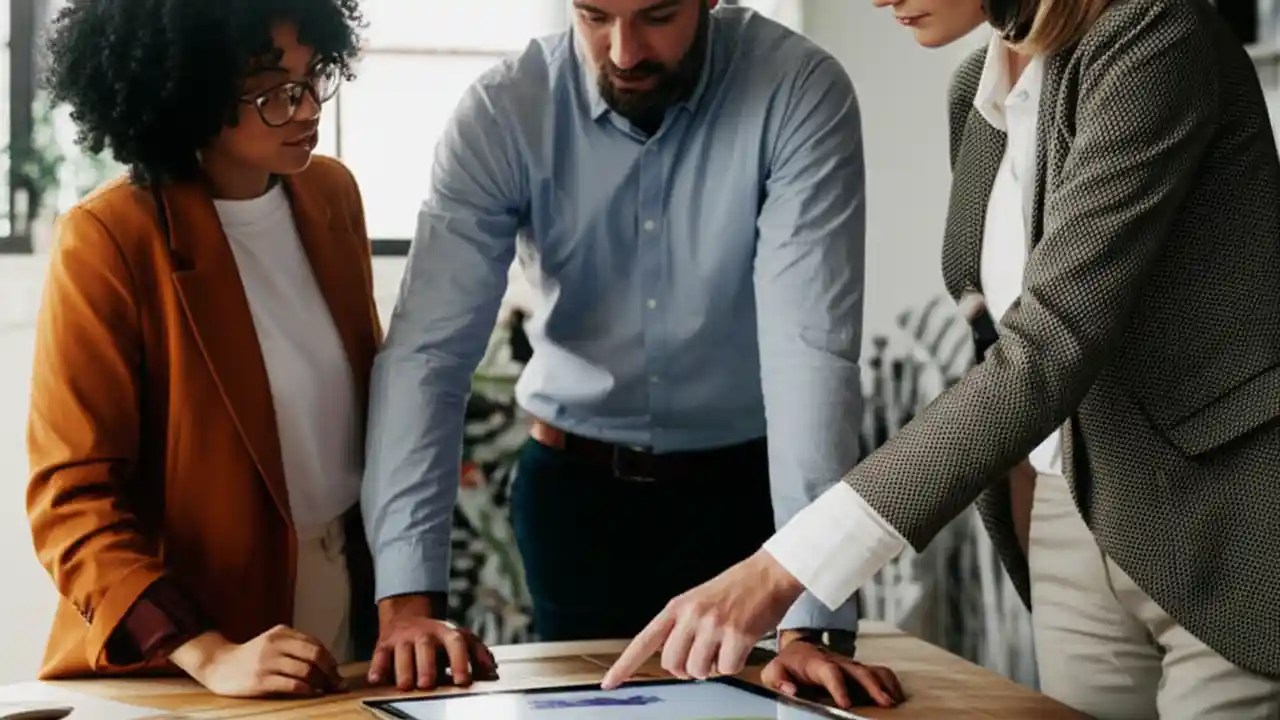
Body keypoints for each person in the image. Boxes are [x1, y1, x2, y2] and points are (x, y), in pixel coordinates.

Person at [604, 0, 1280, 716]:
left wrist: (782, 570)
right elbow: (995, 330)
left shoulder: (1155, 38)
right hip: (1069, 518)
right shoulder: (977, 91)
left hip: (1222, 526)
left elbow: (1048, 347)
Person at [362, 0, 903, 708]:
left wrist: (812, 626)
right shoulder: (504, 110)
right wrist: (406, 606)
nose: (622, 51)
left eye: (657, 15)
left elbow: (810, 356)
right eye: (594, 16)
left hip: (749, 500)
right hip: (575, 499)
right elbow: (427, 358)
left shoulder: (797, 90)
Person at [27, 0, 495, 698]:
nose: (306, 107)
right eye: (275, 91)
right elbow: (74, 498)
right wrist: (209, 652)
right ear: (189, 89)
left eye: (315, 76)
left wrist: (405, 605)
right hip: (191, 645)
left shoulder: (330, 194)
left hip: (342, 602)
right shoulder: (108, 238)